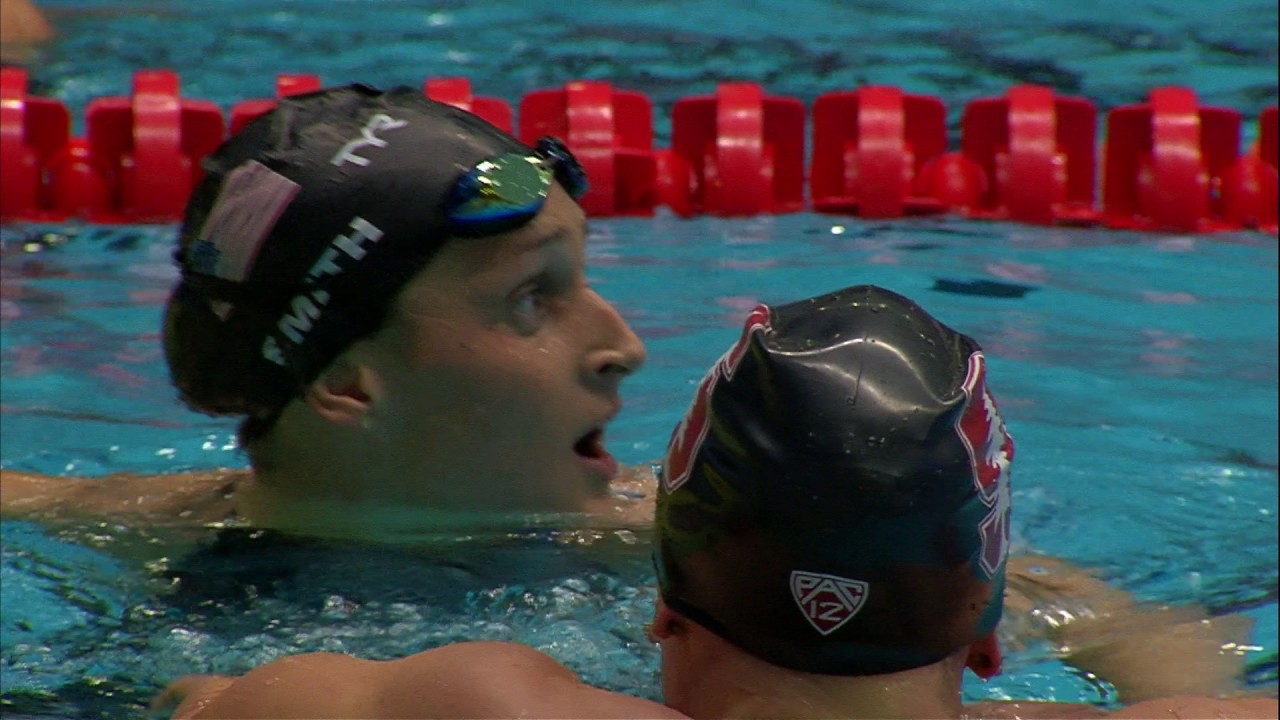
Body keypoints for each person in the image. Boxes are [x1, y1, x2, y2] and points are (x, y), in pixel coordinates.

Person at [159, 285, 1277, 720]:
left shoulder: (481, 705)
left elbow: (201, 703)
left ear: (661, 609)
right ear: (984, 643)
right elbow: (1186, 669)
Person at [1, 83, 650, 539]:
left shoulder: (705, 547)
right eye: (531, 298)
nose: (624, 348)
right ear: (346, 383)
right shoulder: (142, 534)